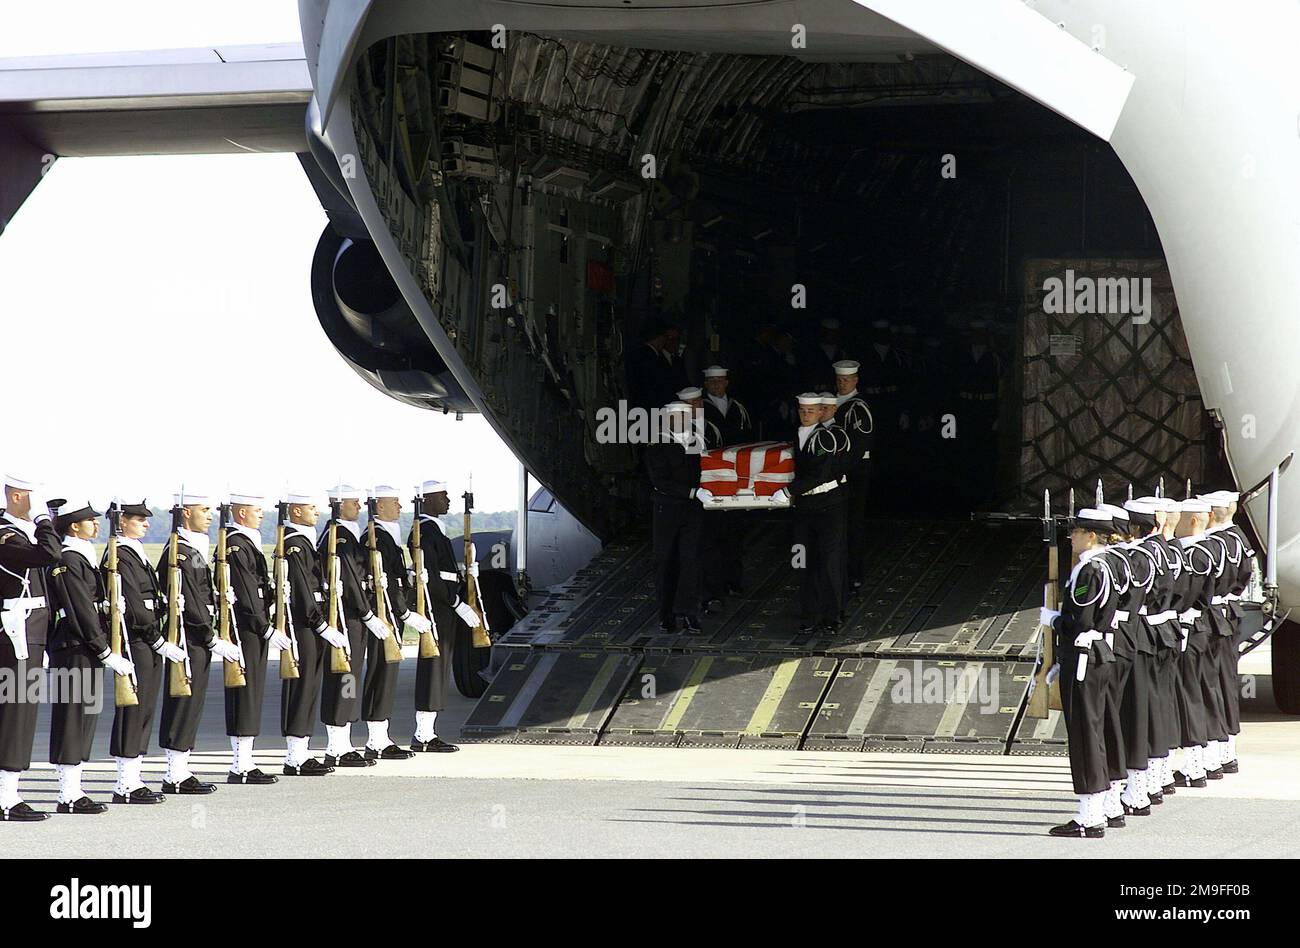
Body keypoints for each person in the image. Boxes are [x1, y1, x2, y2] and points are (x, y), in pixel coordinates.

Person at [47, 500, 130, 815]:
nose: (95, 525)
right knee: (72, 718)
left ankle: (74, 789)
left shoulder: (83, 558)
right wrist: (105, 649)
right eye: (89, 521)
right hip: (75, 648)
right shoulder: (68, 560)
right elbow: (80, 611)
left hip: (86, 649)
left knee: (85, 717)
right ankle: (67, 794)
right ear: (73, 527)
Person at [1041, 508, 1119, 837]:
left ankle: (1089, 815)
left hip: (1085, 659)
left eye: (1075, 532)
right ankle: (1101, 806)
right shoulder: (1107, 564)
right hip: (1098, 655)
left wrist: (1053, 620)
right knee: (1095, 733)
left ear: (1090, 535)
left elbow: (1080, 621)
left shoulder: (1089, 571)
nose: (1070, 537)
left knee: (1085, 737)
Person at [157, 491, 241, 795]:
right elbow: (190, 601)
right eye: (203, 509)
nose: (208, 515)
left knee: (192, 702)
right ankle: (174, 773)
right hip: (189, 636)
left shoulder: (192, 547)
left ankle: (180, 769)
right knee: (183, 702)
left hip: (197, 636)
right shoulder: (179, 550)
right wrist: (210, 636)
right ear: (186, 513)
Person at [103, 499, 184, 804]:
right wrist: (157, 638)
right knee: (132, 711)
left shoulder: (134, 552)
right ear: (122, 521)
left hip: (147, 642)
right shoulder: (120, 555)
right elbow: (135, 607)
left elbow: (150, 597)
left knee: (145, 709)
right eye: (139, 519)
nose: (146, 524)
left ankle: (134, 778)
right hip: (136, 640)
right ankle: (125, 783)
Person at [0, 475, 61, 822]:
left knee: (22, 713)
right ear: (20, 496)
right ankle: (6, 799)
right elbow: (48, 553)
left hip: (31, 633)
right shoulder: (6, 536)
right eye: (37, 501)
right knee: (14, 714)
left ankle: (10, 793)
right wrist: (42, 521)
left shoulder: (16, 535)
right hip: (16, 636)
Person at [318, 485, 386, 768]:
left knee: (350, 679)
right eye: (353, 502)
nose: (358, 506)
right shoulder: (340, 538)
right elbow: (350, 582)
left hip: (352, 618)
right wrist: (368, 613)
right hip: (347, 619)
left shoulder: (344, 534)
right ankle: (336, 745)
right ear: (338, 505)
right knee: (344, 679)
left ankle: (343, 741)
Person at [219, 493, 284, 785]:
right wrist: (264, 626)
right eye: (257, 511)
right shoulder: (236, 543)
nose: (262, 515)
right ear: (242, 513)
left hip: (254, 626)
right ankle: (241, 765)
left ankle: (245, 760)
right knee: (245, 692)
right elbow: (245, 591)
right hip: (246, 628)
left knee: (252, 690)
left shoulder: (247, 541)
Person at [409, 479, 474, 752]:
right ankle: (423, 734)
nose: (448, 501)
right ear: (427, 500)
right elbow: (431, 578)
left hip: (444, 607)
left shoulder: (435, 529)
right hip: (437, 607)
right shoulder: (424, 531)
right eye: (442, 496)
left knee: (440, 668)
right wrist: (456, 602)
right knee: (433, 668)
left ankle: (427, 731)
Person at [277, 490, 338, 776]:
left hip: (312, 624)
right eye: (312, 508)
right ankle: (295, 756)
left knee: (310, 686)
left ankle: (301, 752)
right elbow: (303, 592)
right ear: (296, 511)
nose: (317, 512)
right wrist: (321, 624)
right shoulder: (295, 545)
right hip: (304, 625)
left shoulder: (306, 542)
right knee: (301, 688)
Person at [362, 485, 419, 761]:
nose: (400, 507)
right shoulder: (375, 537)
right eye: (394, 502)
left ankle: (381, 735)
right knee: (379, 672)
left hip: (391, 612)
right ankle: (375, 738)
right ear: (379, 507)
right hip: (382, 613)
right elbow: (384, 581)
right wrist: (404, 612)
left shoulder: (387, 536)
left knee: (388, 673)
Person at [645, 402, 706, 634]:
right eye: (676, 415)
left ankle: (689, 613)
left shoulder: (695, 440)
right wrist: (692, 492)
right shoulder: (657, 443)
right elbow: (660, 480)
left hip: (692, 510)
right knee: (665, 561)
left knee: (691, 560)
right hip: (667, 509)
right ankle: (666, 614)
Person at [788, 393, 845, 638]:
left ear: (821, 413)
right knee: (803, 563)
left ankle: (832, 616)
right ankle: (809, 616)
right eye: (802, 410)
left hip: (827, 507)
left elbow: (820, 474)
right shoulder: (795, 436)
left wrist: (786, 490)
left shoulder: (825, 437)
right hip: (804, 509)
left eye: (810, 411)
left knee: (829, 563)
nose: (805, 415)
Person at [833, 360, 874, 596]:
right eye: (839, 380)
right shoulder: (833, 403)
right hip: (838, 473)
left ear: (856, 380)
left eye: (846, 380)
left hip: (854, 473)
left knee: (853, 524)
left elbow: (860, 444)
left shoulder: (858, 407)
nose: (842, 383)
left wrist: (843, 467)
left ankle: (854, 574)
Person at [701, 365, 753, 447]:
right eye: (711, 380)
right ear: (706, 384)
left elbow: (747, 431)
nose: (716, 384)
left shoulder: (737, 405)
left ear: (726, 383)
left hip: (737, 452)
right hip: (712, 454)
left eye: (720, 380)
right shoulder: (699, 406)